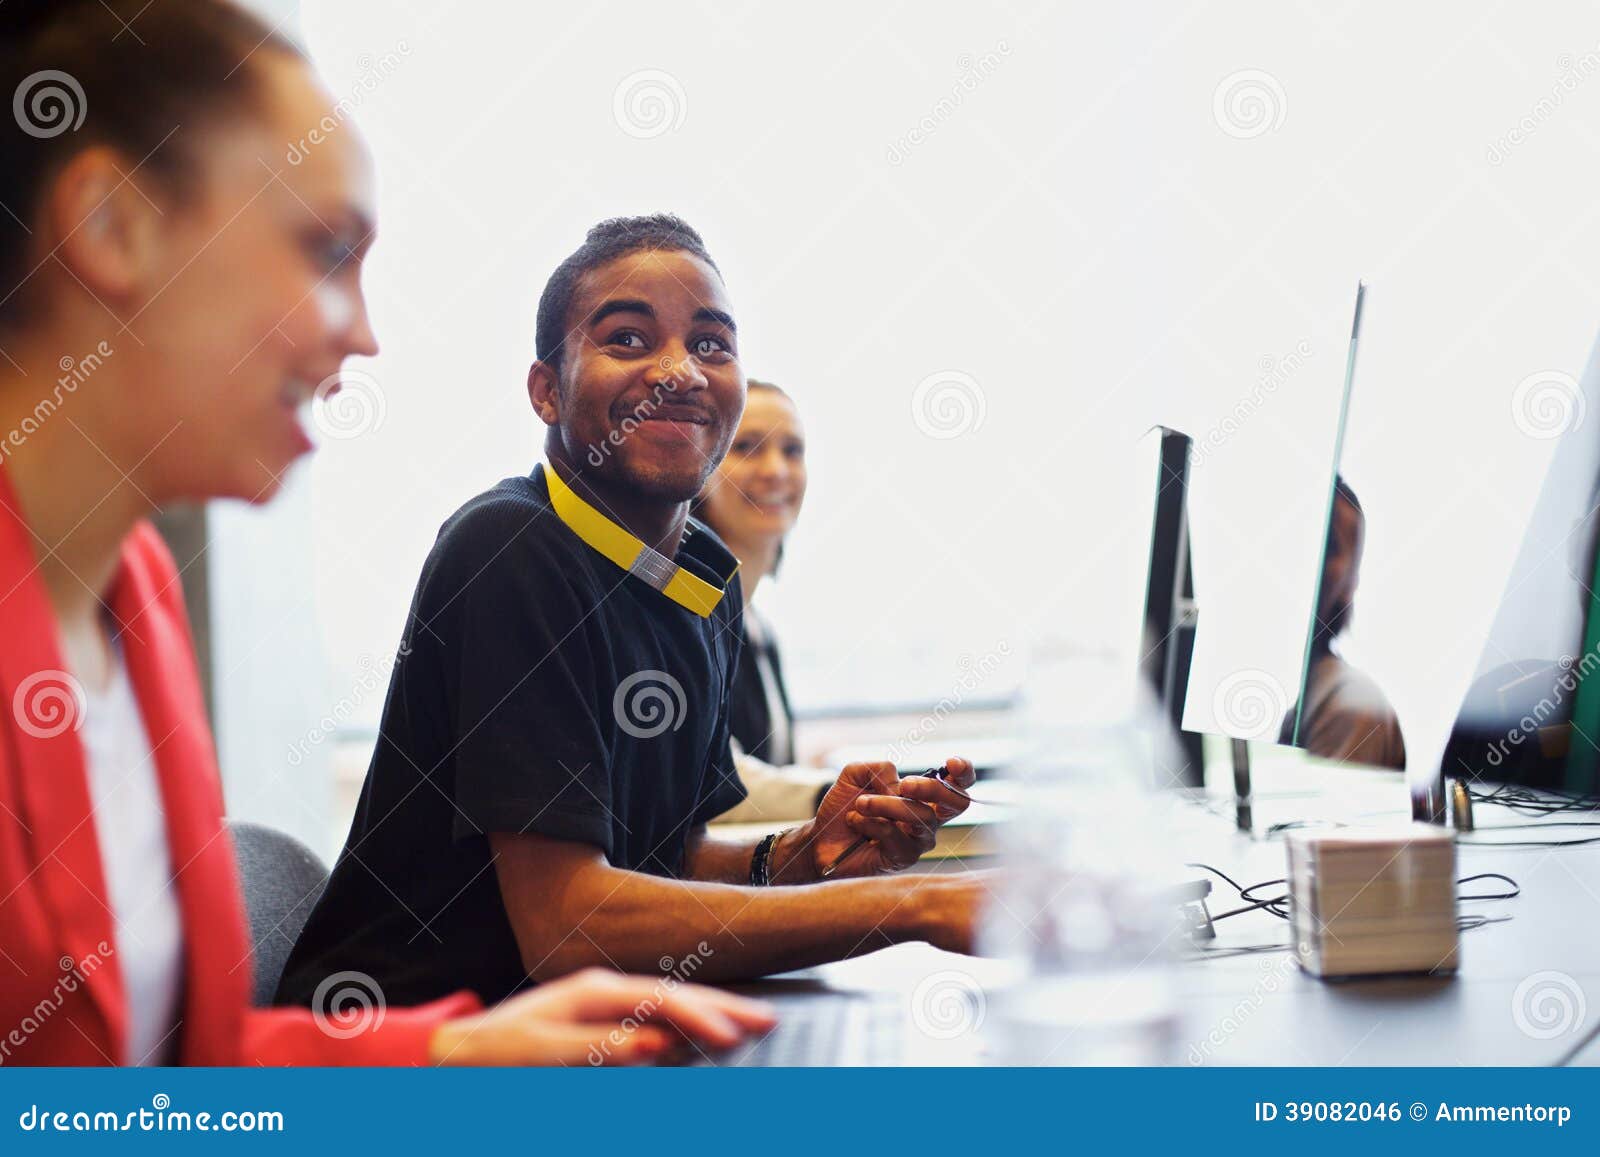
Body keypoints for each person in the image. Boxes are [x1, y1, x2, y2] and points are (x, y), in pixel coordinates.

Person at [0, 0, 772, 1066]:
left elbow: (179, 1071)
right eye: (322, 252)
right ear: (114, 227)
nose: (361, 330)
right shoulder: (511, 546)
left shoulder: (130, 591)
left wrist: (444, 1051)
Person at [278, 215, 987, 1010]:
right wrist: (914, 906)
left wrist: (805, 849)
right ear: (547, 390)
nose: (680, 370)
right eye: (627, 338)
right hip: (401, 1056)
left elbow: (667, 860)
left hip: (567, 1042)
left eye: (712, 344)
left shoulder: (701, 580)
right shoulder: (513, 547)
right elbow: (571, 926)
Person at [690, 380, 834, 821]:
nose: (776, 470)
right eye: (748, 447)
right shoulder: (685, 612)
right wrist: (834, 793)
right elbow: (710, 784)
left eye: (792, 450)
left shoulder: (758, 626)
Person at [1279, 477, 1406, 769]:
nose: (1311, 556)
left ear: (1352, 582)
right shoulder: (1312, 697)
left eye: (1330, 544)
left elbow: (1327, 813)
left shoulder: (1348, 703)